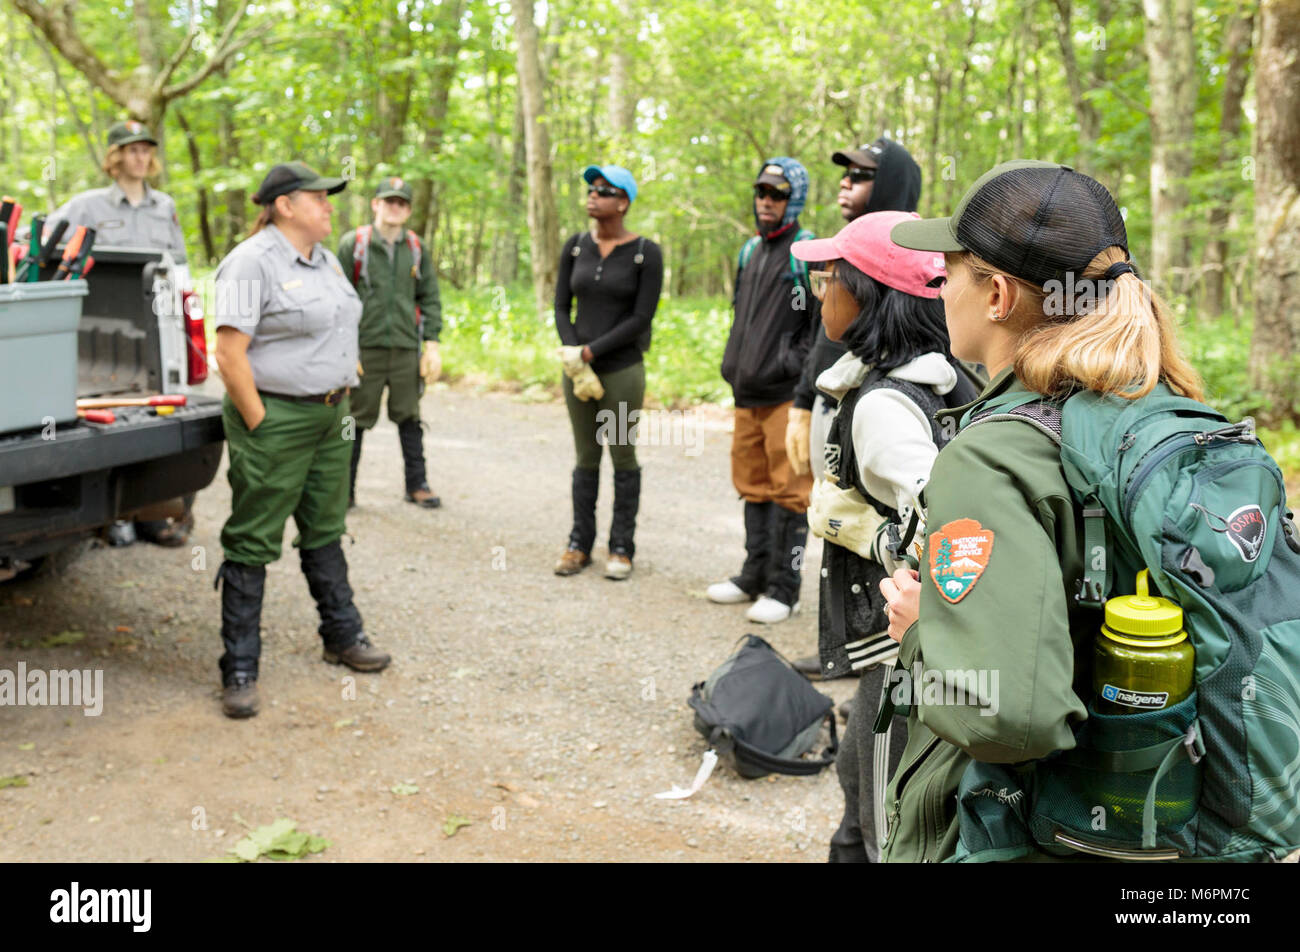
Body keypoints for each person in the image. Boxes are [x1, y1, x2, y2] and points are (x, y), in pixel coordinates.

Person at [875, 159, 1205, 861]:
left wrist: (918, 634)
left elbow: (1007, 716)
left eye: (946, 274)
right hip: (1153, 827)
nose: (939, 292)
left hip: (1022, 833)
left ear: (995, 293)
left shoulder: (994, 457)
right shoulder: (1153, 415)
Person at [790, 211, 973, 862]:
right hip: (913, 651)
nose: (821, 294)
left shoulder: (885, 407)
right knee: (855, 773)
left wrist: (872, 538)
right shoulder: (948, 376)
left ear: (868, 296)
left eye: (830, 278)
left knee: (887, 813)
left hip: (900, 652)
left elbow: (957, 537)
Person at [211, 161, 391, 719]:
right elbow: (229, 354)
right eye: (319, 197)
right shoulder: (250, 263)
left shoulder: (328, 259)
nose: (329, 205)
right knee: (254, 537)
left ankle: (342, 635)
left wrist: (344, 373)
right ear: (285, 205)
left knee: (325, 524)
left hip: (332, 416)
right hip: (278, 419)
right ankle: (239, 667)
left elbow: (340, 323)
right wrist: (261, 422)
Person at [788, 137, 922, 678]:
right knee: (833, 517)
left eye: (861, 175)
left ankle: (880, 664)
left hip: (874, 405)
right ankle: (845, 649)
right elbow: (820, 341)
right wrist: (803, 403)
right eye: (844, 174)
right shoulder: (845, 256)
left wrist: (877, 539)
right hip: (838, 397)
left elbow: (940, 520)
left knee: (865, 523)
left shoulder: (909, 253)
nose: (846, 184)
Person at [47, 119, 195, 549]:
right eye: (131, 150)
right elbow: (43, 245)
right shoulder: (87, 207)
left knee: (160, 422)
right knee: (110, 427)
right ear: (114, 158)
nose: (140, 157)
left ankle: (153, 511)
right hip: (107, 339)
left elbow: (178, 266)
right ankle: (111, 516)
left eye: (146, 150)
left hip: (159, 330)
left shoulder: (164, 206)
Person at [708, 158, 816, 624]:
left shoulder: (806, 251)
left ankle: (783, 588)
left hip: (784, 395)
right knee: (752, 487)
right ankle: (752, 576)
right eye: (761, 192)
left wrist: (790, 367)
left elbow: (819, 324)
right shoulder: (750, 251)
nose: (765, 201)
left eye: (776, 193)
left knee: (789, 492)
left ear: (793, 198)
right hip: (745, 392)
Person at [552, 165, 663, 580]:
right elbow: (562, 304)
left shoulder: (645, 253)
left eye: (604, 190)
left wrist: (592, 350)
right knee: (585, 457)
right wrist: (573, 353)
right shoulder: (575, 246)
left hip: (621, 371)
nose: (593, 195)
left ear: (624, 202)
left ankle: (621, 548)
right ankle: (579, 544)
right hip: (577, 370)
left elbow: (641, 317)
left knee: (621, 455)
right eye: (591, 188)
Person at [338, 176, 444, 509]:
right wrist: (343, 349)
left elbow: (429, 297)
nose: (394, 208)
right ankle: (343, 488)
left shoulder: (416, 248)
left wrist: (432, 346)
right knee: (353, 420)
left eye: (401, 203)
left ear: (408, 210)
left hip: (404, 348)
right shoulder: (352, 244)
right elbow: (337, 299)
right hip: (363, 348)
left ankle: (418, 484)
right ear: (376, 204)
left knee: (409, 416)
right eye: (388, 201)